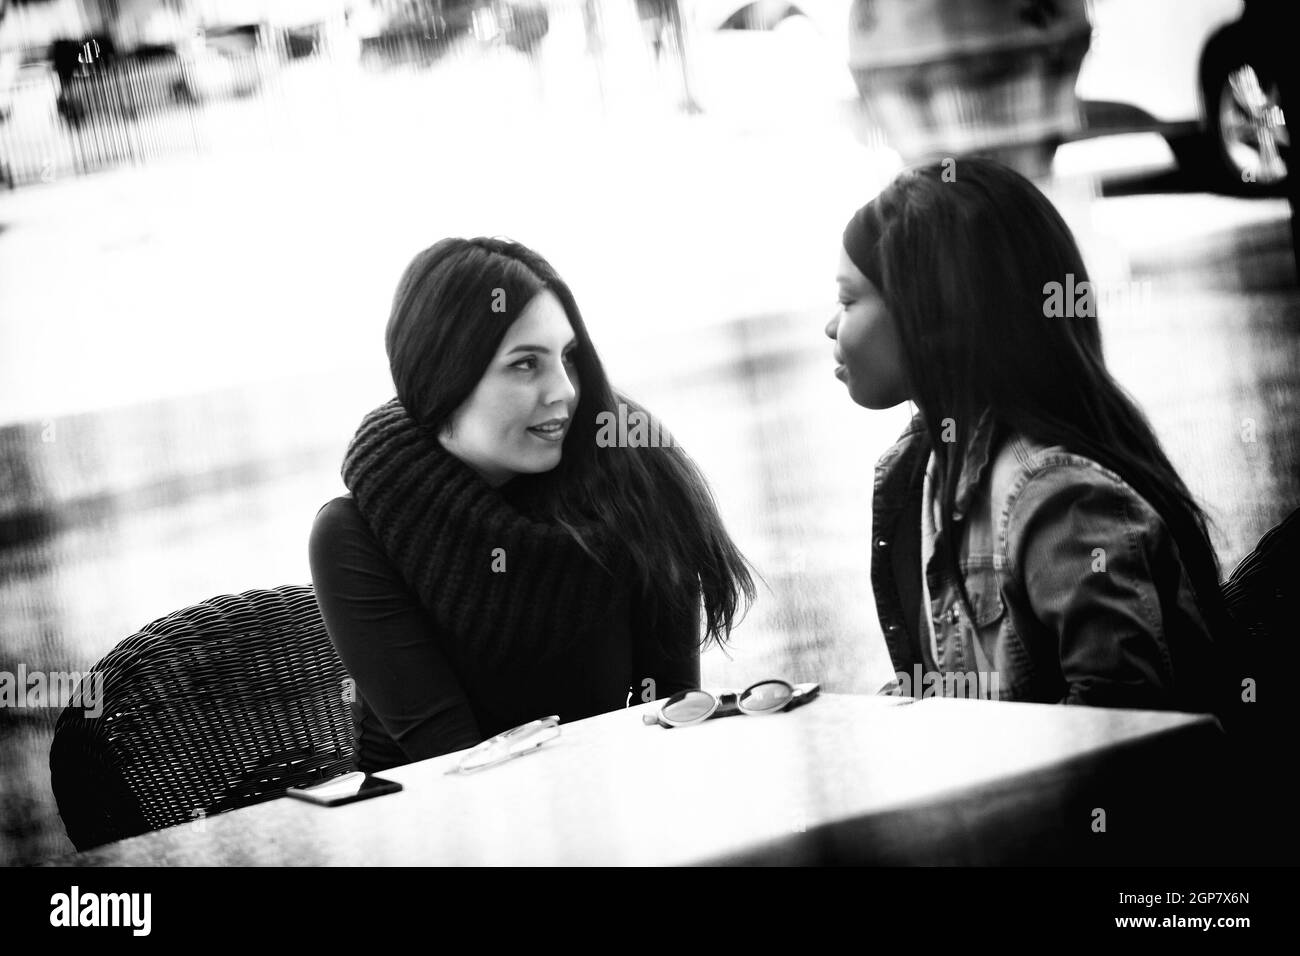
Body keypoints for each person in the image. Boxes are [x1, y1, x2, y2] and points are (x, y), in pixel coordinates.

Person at [309, 237, 753, 773]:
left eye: (568, 357)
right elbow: (458, 764)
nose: (563, 390)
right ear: (439, 377)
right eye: (525, 364)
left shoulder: (628, 478)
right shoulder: (355, 534)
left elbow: (675, 714)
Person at [827, 157, 1238, 719]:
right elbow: (947, 687)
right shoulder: (923, 468)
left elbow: (1124, 728)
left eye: (848, 301)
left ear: (933, 319)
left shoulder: (1056, 499)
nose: (831, 325)